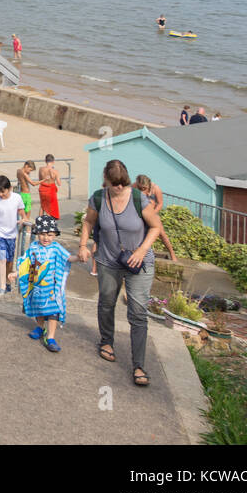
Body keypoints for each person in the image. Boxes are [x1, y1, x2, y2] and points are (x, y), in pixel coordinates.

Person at [79, 159, 163, 388]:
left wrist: (142, 250)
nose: (118, 187)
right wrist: (83, 245)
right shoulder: (98, 198)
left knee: (137, 312)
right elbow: (88, 222)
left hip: (139, 262)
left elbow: (156, 227)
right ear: (106, 180)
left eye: (122, 183)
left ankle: (139, 365)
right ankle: (106, 341)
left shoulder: (138, 199)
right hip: (108, 260)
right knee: (107, 302)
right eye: (114, 183)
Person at [11, 214, 70, 352]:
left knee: (53, 311)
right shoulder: (33, 247)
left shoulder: (56, 248)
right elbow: (26, 263)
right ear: (37, 233)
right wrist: (16, 273)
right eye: (43, 234)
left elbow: (68, 257)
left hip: (52, 288)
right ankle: (40, 327)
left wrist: (78, 257)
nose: (46, 238)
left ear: (55, 234)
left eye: (50, 234)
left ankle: (50, 337)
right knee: (39, 309)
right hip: (37, 287)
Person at [0, 175, 29, 295]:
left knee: (9, 260)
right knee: (2, 258)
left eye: (2, 191)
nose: (0, 194)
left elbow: (21, 210)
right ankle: (2, 285)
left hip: (11, 233)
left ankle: (7, 282)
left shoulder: (17, 198)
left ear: (9, 188)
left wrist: (24, 218)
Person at [133, 175, 177, 261]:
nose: (141, 191)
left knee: (161, 233)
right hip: (139, 213)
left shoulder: (156, 189)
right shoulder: (133, 186)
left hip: (152, 212)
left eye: (144, 188)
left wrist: (153, 213)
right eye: (139, 188)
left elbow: (160, 203)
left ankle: (172, 253)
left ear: (148, 186)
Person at [37, 154, 61, 221]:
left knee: (42, 206)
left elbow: (40, 180)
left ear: (45, 161)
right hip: (50, 190)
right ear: (53, 161)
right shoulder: (55, 171)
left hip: (42, 189)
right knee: (49, 208)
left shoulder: (41, 169)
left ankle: (39, 222)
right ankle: (48, 224)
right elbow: (59, 183)